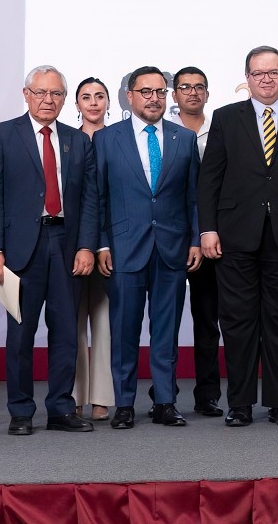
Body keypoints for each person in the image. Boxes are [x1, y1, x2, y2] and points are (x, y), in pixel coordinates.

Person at [198, 46, 278, 427]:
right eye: (258, 73)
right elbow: (210, 179)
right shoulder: (224, 118)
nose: (266, 79)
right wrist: (207, 228)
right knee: (237, 322)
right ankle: (240, 404)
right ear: (247, 78)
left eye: (273, 73)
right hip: (235, 236)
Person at [0, 65, 98, 436]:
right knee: (20, 334)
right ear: (26, 94)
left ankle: (62, 409)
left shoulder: (78, 141)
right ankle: (20, 411)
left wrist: (86, 246)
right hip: (19, 251)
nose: (49, 100)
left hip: (66, 245)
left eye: (57, 94)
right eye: (41, 93)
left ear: (66, 99)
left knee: (66, 332)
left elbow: (90, 200)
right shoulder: (1, 135)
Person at [96, 66, 202, 430]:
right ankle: (124, 403)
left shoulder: (183, 138)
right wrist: (101, 244)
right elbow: (99, 197)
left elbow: (194, 198)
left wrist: (195, 239)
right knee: (124, 330)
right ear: (130, 96)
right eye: (146, 91)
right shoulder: (107, 139)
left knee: (166, 330)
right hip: (124, 248)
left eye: (160, 91)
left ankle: (165, 401)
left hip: (172, 248)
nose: (154, 98)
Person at [171, 66, 223, 417]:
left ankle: (208, 395)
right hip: (173, 238)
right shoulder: (165, 134)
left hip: (211, 239)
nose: (193, 92)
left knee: (208, 320)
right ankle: (166, 394)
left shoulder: (220, 130)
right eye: (185, 87)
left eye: (199, 87)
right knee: (167, 321)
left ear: (207, 93)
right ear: (174, 95)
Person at [71, 77, 114, 423]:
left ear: (109, 102)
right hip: (70, 243)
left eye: (99, 96)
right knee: (71, 321)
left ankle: (101, 396)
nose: (94, 102)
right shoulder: (67, 140)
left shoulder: (117, 140)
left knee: (103, 320)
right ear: (77, 104)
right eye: (86, 97)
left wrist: (104, 242)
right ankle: (74, 395)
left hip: (110, 243)